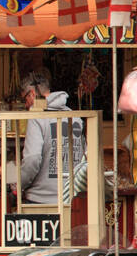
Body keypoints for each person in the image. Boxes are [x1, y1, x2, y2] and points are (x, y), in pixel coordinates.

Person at [18, 69, 86, 205]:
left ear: (32, 94)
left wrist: (18, 185)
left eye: (24, 98)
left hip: (40, 200)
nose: (25, 105)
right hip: (72, 199)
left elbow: (32, 159)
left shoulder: (37, 117)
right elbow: (85, 156)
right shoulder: (75, 117)